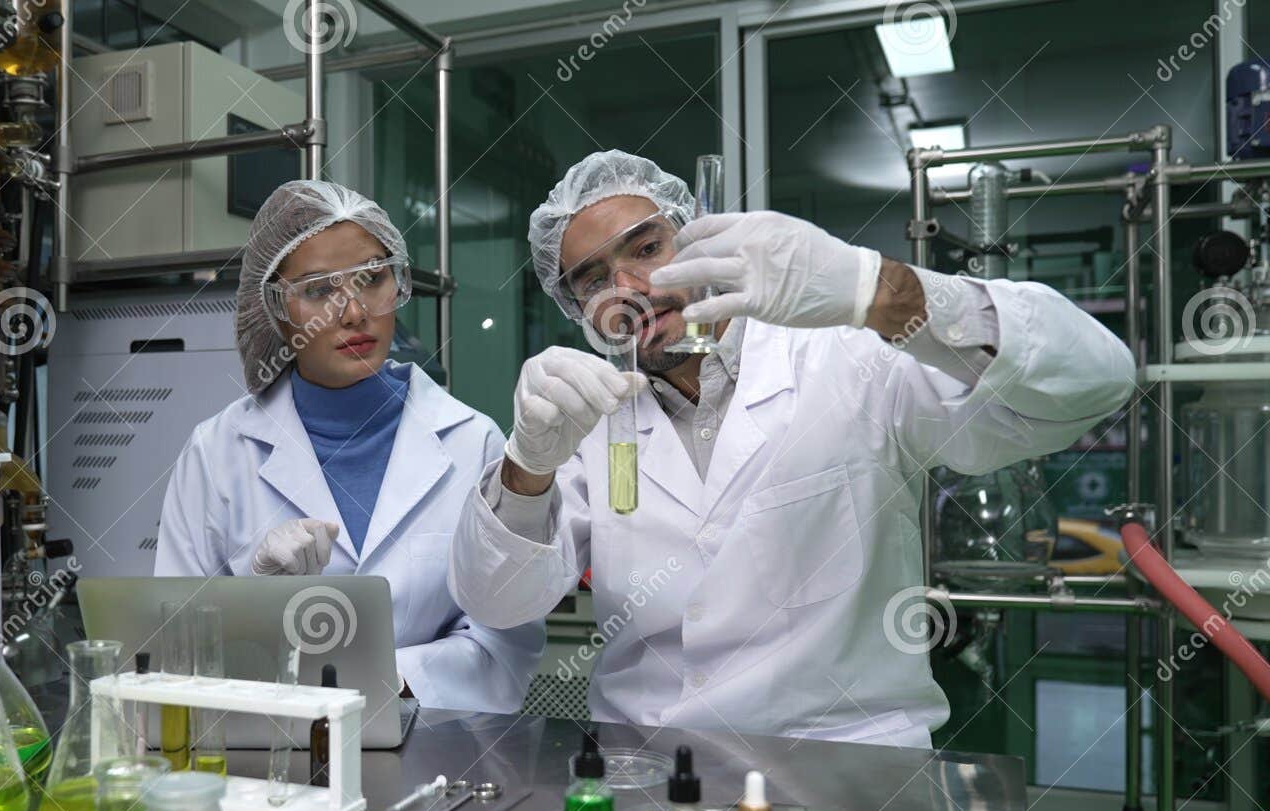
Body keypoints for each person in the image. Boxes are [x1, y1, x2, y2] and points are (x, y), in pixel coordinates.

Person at [448, 150, 1136, 747]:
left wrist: (879, 292)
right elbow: (502, 602)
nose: (628, 288)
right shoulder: (584, 412)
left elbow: (1094, 382)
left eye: (647, 248)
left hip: (844, 762)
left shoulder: (848, 357)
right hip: (648, 766)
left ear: (698, 239)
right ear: (575, 308)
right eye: (592, 278)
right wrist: (527, 462)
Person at [154, 180, 543, 714]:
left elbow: (507, 639)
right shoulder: (217, 452)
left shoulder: (472, 440)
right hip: (273, 766)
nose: (354, 311)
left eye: (372, 278)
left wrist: (379, 680)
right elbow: (175, 648)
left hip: (438, 760)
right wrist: (255, 604)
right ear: (273, 309)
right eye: (317, 289)